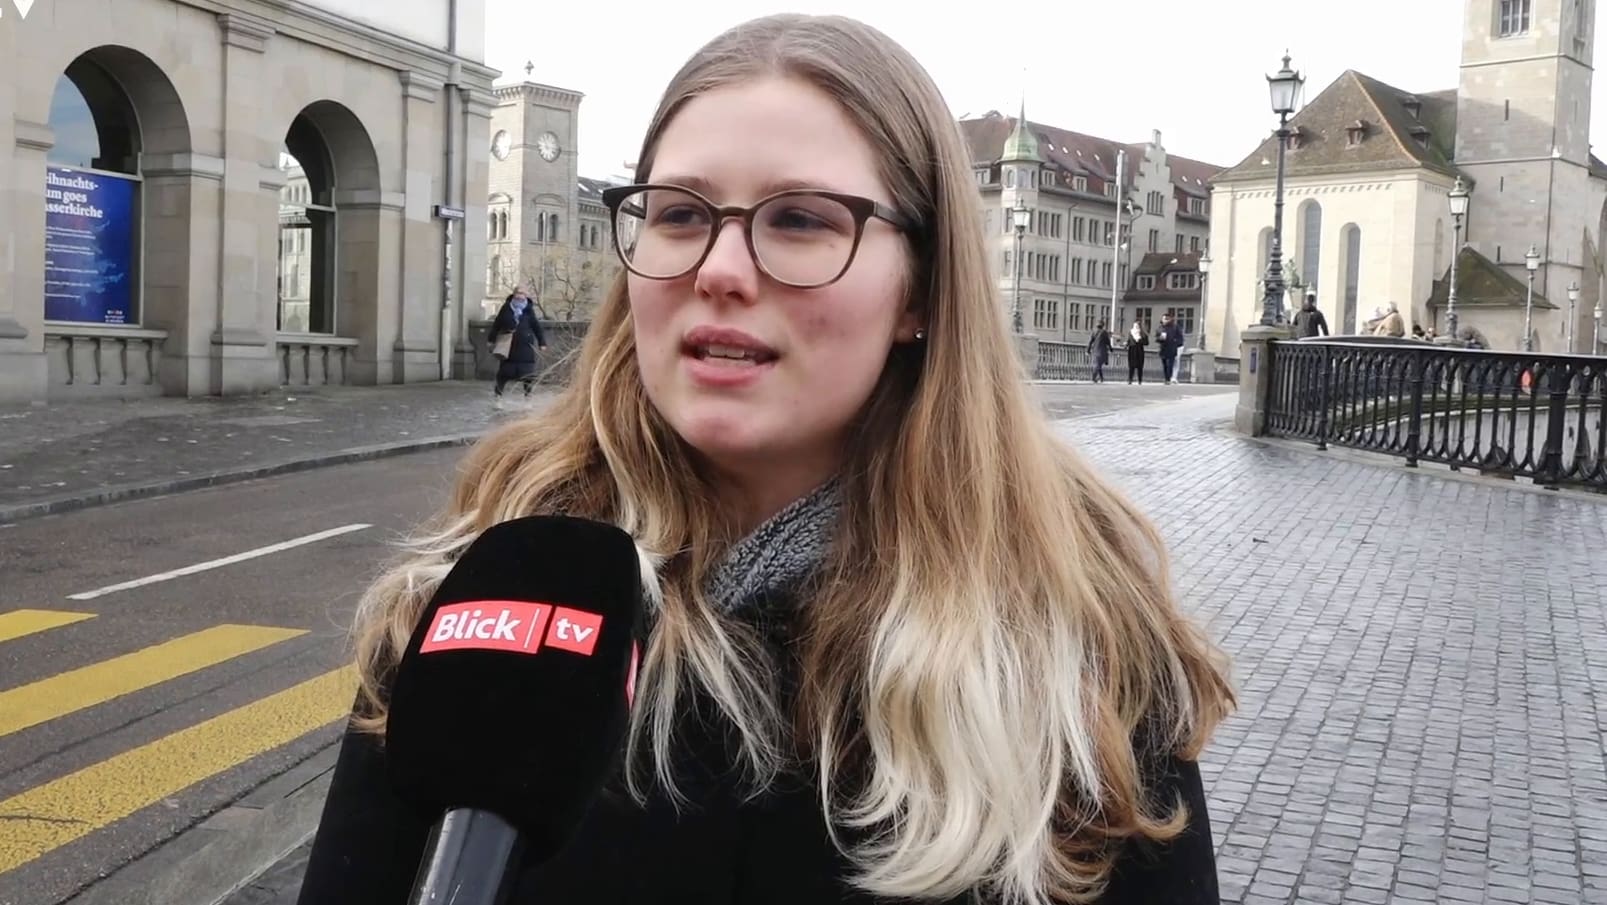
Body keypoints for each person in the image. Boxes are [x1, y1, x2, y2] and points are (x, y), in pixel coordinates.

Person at [297, 14, 1234, 905]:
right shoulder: (498, 583)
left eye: (797, 220)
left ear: (921, 287)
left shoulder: (1074, 637)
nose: (719, 269)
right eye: (676, 213)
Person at [488, 285, 548, 402]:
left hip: (525, 346)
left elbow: (536, 327)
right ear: (514, 294)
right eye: (518, 293)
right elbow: (497, 325)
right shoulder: (506, 308)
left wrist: (542, 342)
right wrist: (491, 340)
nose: (520, 296)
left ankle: (528, 396)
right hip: (508, 345)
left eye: (523, 293)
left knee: (528, 374)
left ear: (526, 296)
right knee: (504, 372)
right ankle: (498, 395)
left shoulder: (529, 310)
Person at [1155, 312, 1185, 384]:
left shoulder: (1174, 327)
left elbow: (1180, 337)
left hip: (1172, 348)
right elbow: (1156, 337)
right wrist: (1160, 338)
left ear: (1169, 319)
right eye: (1163, 319)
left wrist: (1176, 343)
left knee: (1170, 364)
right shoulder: (1160, 328)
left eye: (1166, 319)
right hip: (1163, 348)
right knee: (1165, 364)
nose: (1164, 320)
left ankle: (1168, 379)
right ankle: (1166, 378)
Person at [1125, 320, 1149, 384]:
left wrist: (1140, 340)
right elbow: (1129, 340)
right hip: (1132, 350)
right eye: (1135, 326)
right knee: (1131, 366)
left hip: (1139, 350)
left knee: (1140, 366)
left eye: (1137, 326)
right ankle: (1130, 379)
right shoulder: (1131, 332)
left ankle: (1140, 380)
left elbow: (1146, 343)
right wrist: (1126, 344)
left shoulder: (1143, 334)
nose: (1136, 327)